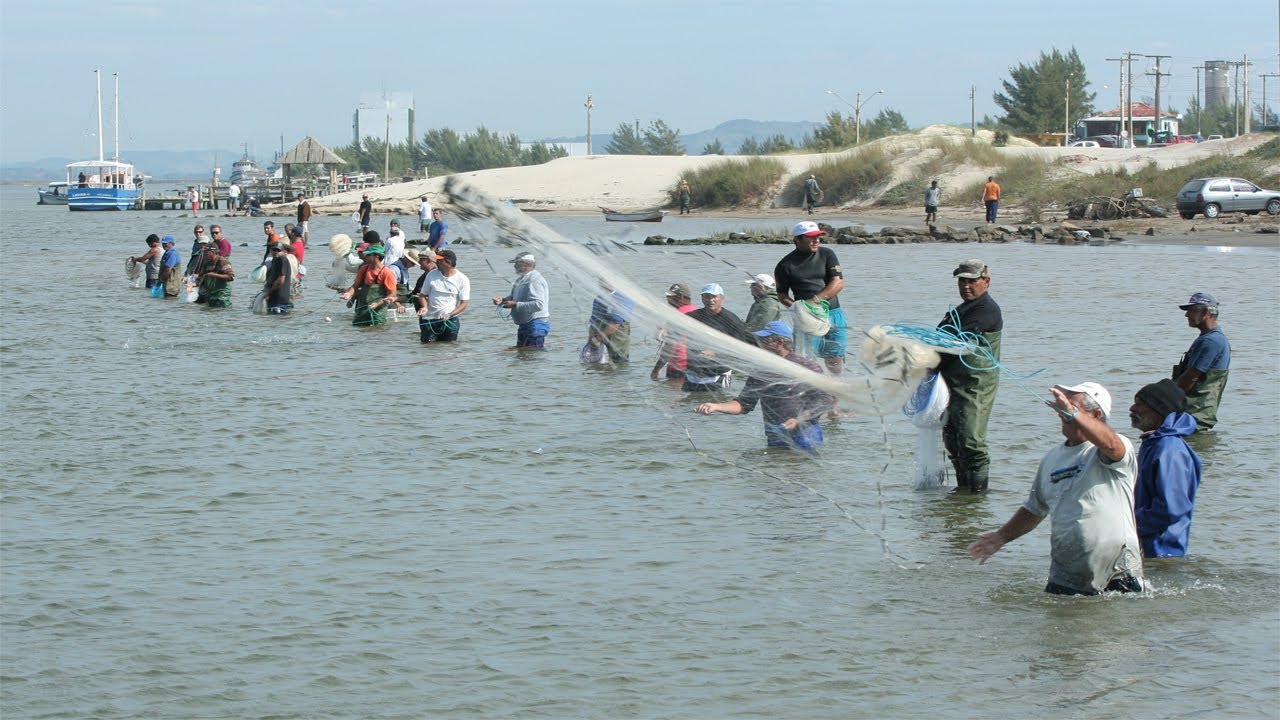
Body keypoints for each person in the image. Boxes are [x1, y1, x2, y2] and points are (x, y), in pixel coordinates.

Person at [967, 382, 1145, 596]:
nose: (1062, 411)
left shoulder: (1112, 448)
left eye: (1071, 406)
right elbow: (1035, 509)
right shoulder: (1052, 459)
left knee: (1120, 622)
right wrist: (1001, 537)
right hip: (1067, 568)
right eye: (1063, 406)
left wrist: (1072, 413)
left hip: (1117, 563)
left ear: (1096, 415)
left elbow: (1111, 444)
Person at [695, 321, 835, 450]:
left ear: (779, 342)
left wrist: (799, 420)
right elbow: (744, 404)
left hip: (805, 433)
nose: (759, 343)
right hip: (775, 434)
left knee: (802, 471)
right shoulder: (760, 370)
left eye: (764, 340)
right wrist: (716, 407)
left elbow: (825, 399)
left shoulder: (806, 367)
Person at [937, 259, 1002, 493]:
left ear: (986, 281)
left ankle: (977, 497)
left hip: (975, 385)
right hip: (952, 385)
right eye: (962, 281)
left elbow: (958, 345)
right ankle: (962, 494)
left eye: (972, 281)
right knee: (953, 441)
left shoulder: (987, 310)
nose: (966, 286)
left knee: (971, 441)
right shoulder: (960, 310)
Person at [1129, 379, 1202, 558]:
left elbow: (1171, 508)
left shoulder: (1169, 449)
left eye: (1140, 404)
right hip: (1146, 545)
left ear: (1159, 411)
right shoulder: (1153, 444)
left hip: (1161, 550)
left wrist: (1128, 524)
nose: (1132, 409)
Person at [774, 221, 845, 375]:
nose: (816, 241)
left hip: (833, 313)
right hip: (806, 318)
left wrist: (814, 302)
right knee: (806, 359)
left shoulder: (827, 254)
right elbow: (782, 295)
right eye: (811, 237)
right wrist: (798, 308)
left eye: (818, 237)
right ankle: (811, 391)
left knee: (835, 357)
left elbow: (838, 282)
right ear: (797, 240)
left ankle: (835, 390)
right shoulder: (784, 265)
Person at [1172, 292, 1230, 431]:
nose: (1187, 315)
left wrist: (1167, 401)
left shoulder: (1211, 341)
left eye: (1192, 311)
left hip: (1194, 416)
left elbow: (1191, 378)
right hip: (1192, 414)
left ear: (1206, 313)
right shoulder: (1209, 338)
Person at [682, 283, 754, 393]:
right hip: (693, 372)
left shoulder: (732, 321)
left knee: (717, 405)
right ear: (702, 298)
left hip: (717, 373)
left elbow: (740, 351)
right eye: (706, 296)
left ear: (722, 298)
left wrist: (715, 353)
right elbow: (676, 323)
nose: (710, 300)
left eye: (714, 297)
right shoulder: (694, 316)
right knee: (689, 405)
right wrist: (665, 329)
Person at [492, 252, 551, 349]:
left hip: (536, 325)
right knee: (523, 356)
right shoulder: (521, 279)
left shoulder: (535, 280)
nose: (514, 266)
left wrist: (515, 304)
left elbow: (538, 304)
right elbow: (513, 299)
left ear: (527, 264)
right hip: (526, 325)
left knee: (532, 358)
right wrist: (502, 301)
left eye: (517, 263)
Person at [416, 249, 470, 342]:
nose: (436, 262)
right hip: (429, 320)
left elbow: (464, 303)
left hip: (449, 320)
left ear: (448, 263)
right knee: (427, 350)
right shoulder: (431, 274)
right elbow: (422, 295)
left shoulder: (463, 279)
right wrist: (424, 307)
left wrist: (451, 314)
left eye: (439, 261)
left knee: (449, 348)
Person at [338, 244, 397, 326]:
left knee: (378, 329)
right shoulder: (364, 269)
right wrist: (349, 294)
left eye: (369, 255)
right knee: (358, 327)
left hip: (379, 309)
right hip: (362, 307)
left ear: (376, 256)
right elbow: (355, 286)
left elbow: (392, 294)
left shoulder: (387, 273)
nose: (366, 256)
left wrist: (378, 304)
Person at [651, 282, 697, 382]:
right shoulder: (696, 311)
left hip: (679, 366)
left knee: (672, 396)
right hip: (695, 366)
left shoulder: (677, 316)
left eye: (670, 297)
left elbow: (671, 345)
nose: (667, 300)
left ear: (680, 297)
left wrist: (656, 369)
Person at [586, 281, 635, 363]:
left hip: (617, 340)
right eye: (600, 281)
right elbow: (594, 320)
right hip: (598, 338)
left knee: (619, 363)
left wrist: (598, 338)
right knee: (597, 365)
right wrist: (591, 340)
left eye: (603, 281)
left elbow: (616, 323)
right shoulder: (599, 298)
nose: (600, 284)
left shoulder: (624, 298)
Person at [194, 242, 234, 308]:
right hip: (210, 294)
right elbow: (201, 277)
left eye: (206, 252)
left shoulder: (223, 262)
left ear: (212, 252)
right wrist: (193, 284)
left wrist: (215, 275)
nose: (205, 254)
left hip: (222, 294)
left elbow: (231, 277)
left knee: (222, 311)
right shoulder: (207, 263)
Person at [262, 241, 293, 314]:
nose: (276, 252)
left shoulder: (282, 259)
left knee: (278, 319)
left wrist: (269, 294)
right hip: (274, 298)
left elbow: (280, 280)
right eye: (274, 249)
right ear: (271, 250)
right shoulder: (275, 260)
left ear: (283, 251)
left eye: (278, 250)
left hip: (279, 298)